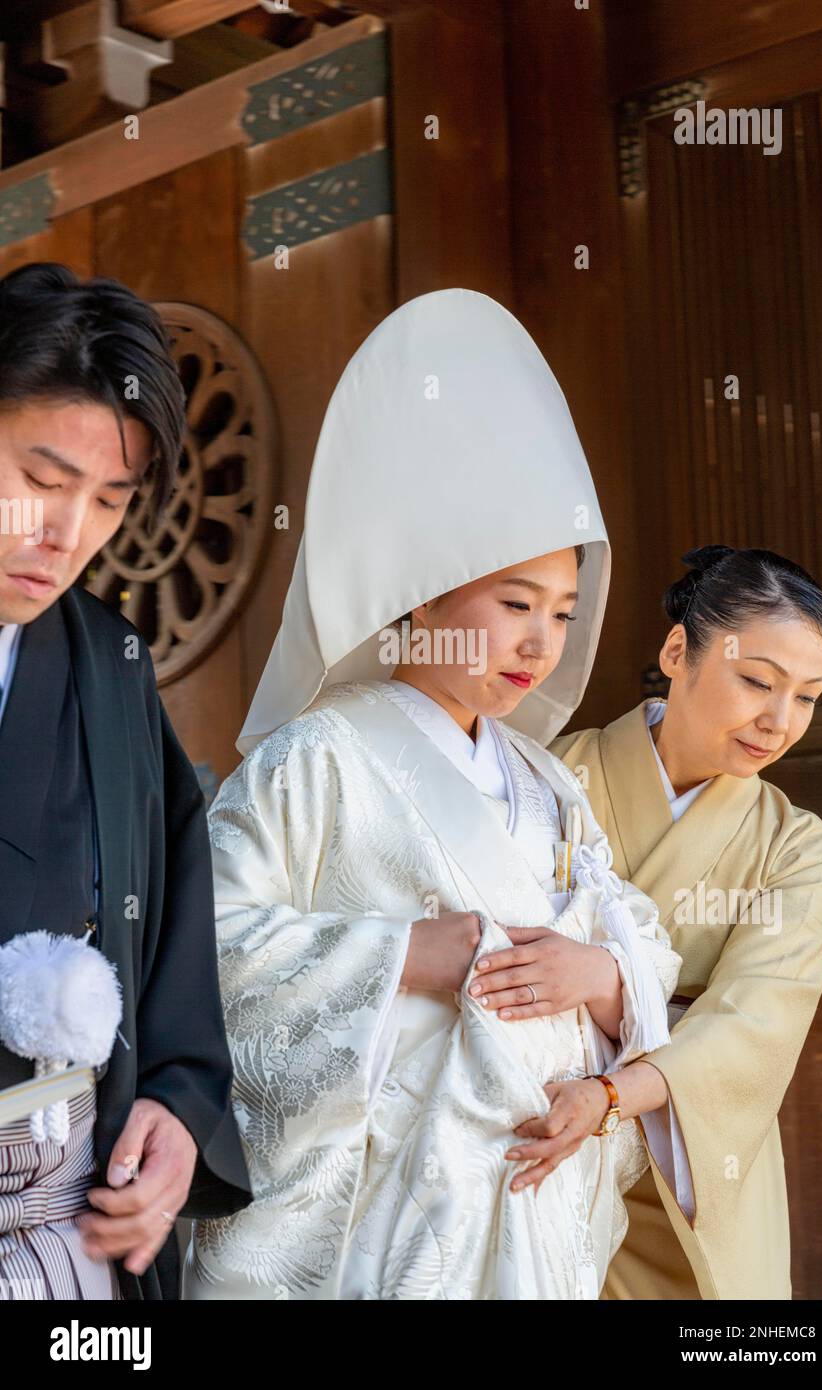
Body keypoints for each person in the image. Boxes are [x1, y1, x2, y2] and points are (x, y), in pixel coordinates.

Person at [184, 287, 682, 1301]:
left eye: (560, 610)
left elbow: (637, 933)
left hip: (529, 1208)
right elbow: (209, 943)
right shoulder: (315, 758)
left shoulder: (544, 781)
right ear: (423, 591)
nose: (538, 644)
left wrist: (600, 974)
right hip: (380, 1226)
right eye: (512, 604)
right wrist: (399, 956)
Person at [0, 261, 252, 1301]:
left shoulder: (108, 663)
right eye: (40, 479)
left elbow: (171, 952)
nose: (68, 535)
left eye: (108, 499)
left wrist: (177, 1113)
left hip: (65, 1227)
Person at [534, 544, 822, 1299]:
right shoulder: (545, 778)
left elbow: (753, 1025)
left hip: (695, 1176)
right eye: (757, 682)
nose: (779, 721)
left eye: (806, 696)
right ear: (679, 651)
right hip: (543, 1156)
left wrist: (611, 1085)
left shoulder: (796, 847)